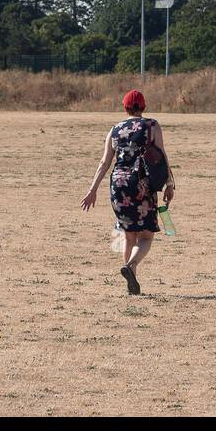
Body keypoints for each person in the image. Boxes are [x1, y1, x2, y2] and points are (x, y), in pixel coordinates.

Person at [80, 89, 175, 295]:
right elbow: (161, 157)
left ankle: (131, 284)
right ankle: (131, 266)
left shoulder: (114, 130)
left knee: (129, 235)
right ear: (144, 106)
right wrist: (169, 183)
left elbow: (105, 162)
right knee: (147, 236)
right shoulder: (151, 126)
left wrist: (92, 190)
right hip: (142, 184)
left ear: (125, 107)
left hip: (118, 185)